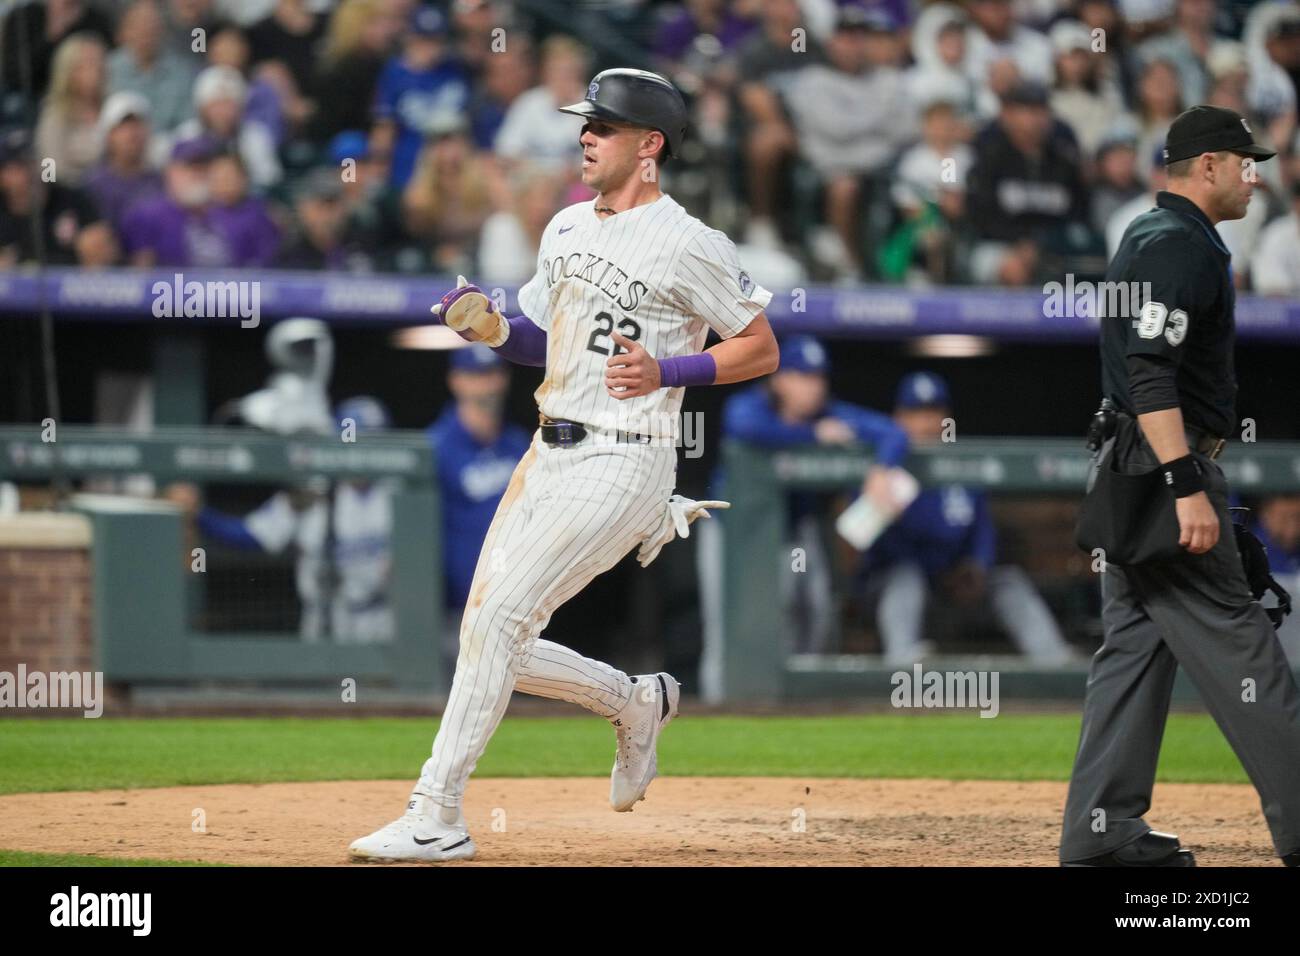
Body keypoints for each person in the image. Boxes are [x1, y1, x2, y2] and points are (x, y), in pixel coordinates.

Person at [349, 67, 780, 863]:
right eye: (586, 122)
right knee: (491, 631)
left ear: (650, 146)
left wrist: (670, 371)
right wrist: (488, 330)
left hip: (629, 456)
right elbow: (540, 342)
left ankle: (436, 812)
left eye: (605, 126)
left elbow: (761, 347)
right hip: (548, 448)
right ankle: (634, 702)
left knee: (500, 620)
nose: (586, 134)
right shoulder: (565, 228)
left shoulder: (690, 241)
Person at [1060, 105, 1300, 868]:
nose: (1253, 175)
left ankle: (1103, 836)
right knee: (1245, 648)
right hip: (1160, 468)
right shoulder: (1178, 246)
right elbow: (1149, 368)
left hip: (1131, 467)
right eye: (1243, 161)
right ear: (1207, 166)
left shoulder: (1148, 231)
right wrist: (1186, 483)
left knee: (1133, 649)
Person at [862, 372, 1076, 665]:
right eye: (915, 413)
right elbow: (865, 544)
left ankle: (1054, 664)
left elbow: (982, 529)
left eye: (933, 412)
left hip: (954, 593)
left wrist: (975, 566)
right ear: (899, 417)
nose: (925, 422)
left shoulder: (961, 465)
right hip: (897, 592)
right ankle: (901, 664)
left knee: (1008, 581)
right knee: (905, 577)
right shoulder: (882, 471)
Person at [718, 335, 909, 655]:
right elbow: (740, 424)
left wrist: (881, 469)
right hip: (734, 529)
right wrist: (810, 435)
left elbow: (893, 432)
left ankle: (804, 701)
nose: (815, 386)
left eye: (819, 377)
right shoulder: (753, 407)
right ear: (779, 379)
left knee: (815, 607)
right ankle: (721, 702)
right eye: (804, 376)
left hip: (795, 528)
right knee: (727, 620)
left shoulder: (829, 414)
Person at [426, 345, 531, 668]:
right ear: (456, 380)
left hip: (516, 604)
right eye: (475, 376)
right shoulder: (435, 445)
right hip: (455, 608)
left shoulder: (520, 444)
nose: (486, 384)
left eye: (492, 374)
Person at [1253, 496, 1300, 666]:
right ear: (1266, 514)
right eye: (1284, 517)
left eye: (1298, 518)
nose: (1292, 528)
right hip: (1261, 661)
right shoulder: (1250, 549)